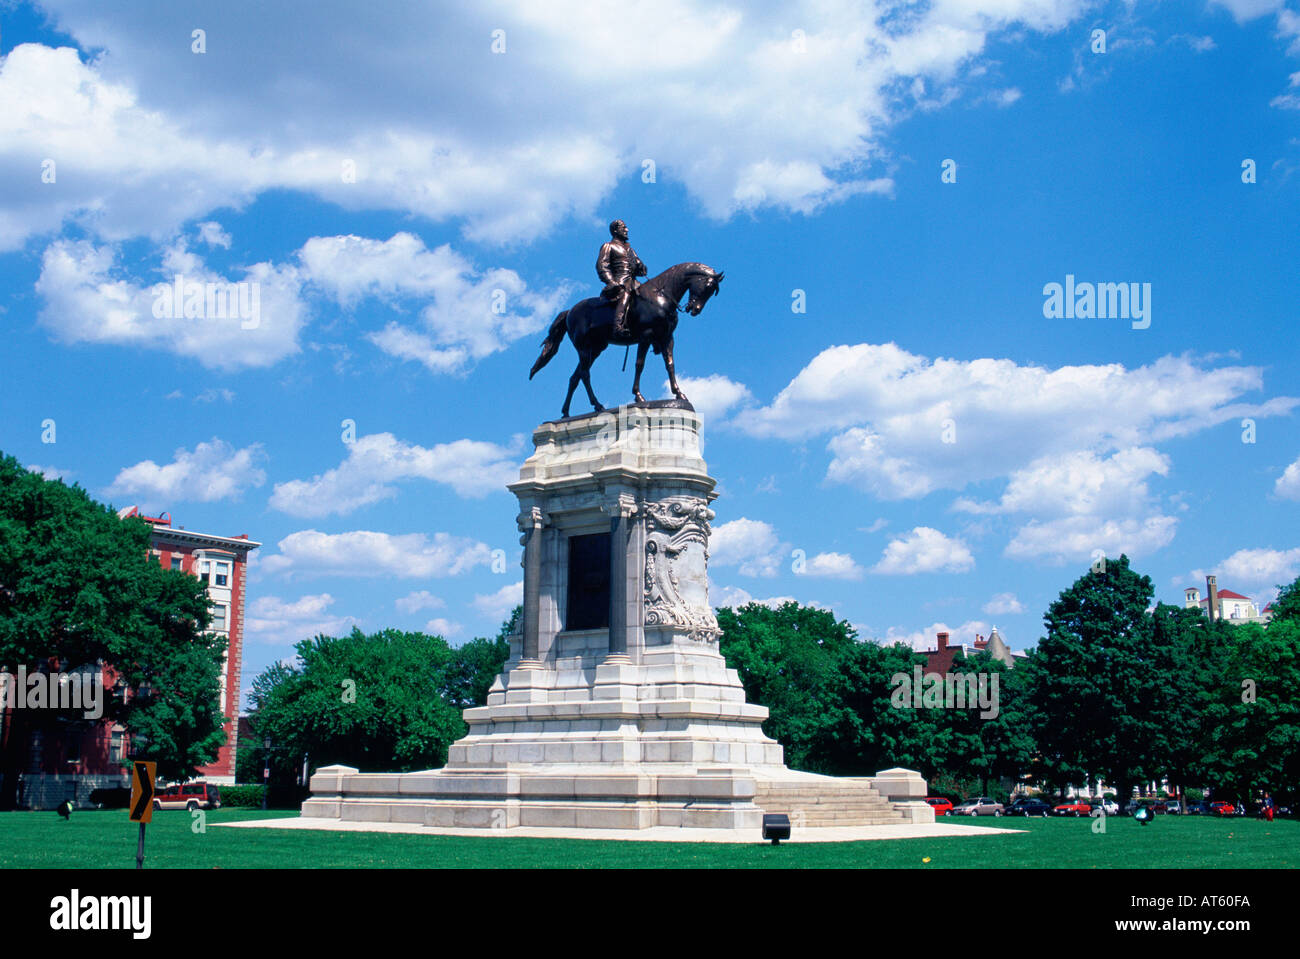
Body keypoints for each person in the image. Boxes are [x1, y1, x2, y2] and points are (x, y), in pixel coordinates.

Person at [596, 219, 647, 337]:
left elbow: (642, 271)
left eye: (626, 227)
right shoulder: (608, 246)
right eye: (623, 227)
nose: (626, 230)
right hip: (620, 283)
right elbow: (602, 265)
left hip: (634, 283)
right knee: (626, 293)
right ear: (615, 230)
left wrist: (641, 267)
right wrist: (611, 281)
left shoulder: (630, 250)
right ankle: (617, 327)